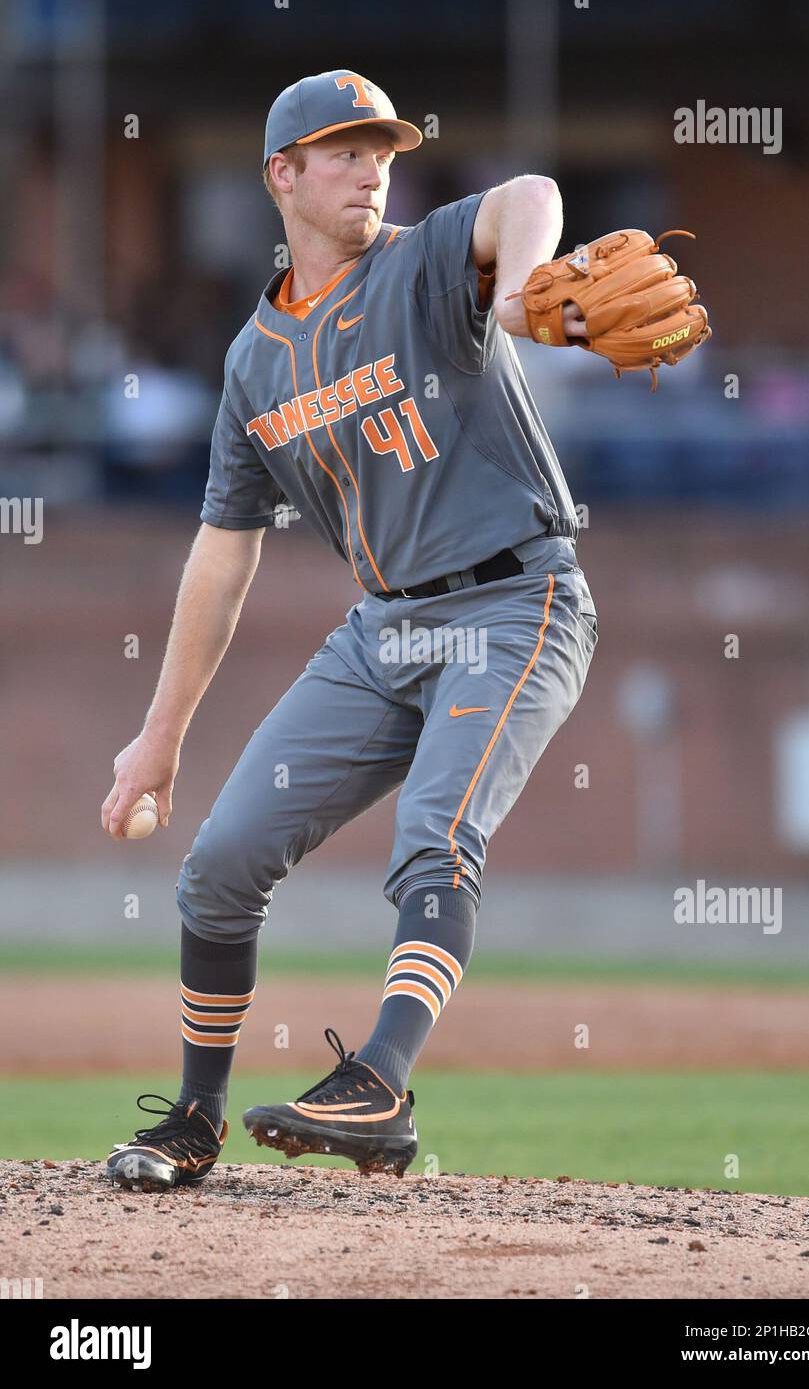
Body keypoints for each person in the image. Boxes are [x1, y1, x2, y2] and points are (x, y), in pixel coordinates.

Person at [101, 70, 598, 1190]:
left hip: (515, 600)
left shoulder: (422, 264)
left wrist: (516, 292)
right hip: (383, 632)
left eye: (380, 148)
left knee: (435, 833)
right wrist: (160, 735)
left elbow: (527, 191)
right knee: (218, 865)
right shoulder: (251, 362)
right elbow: (224, 550)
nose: (371, 166)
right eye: (342, 150)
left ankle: (380, 1079)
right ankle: (194, 1118)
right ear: (281, 174)